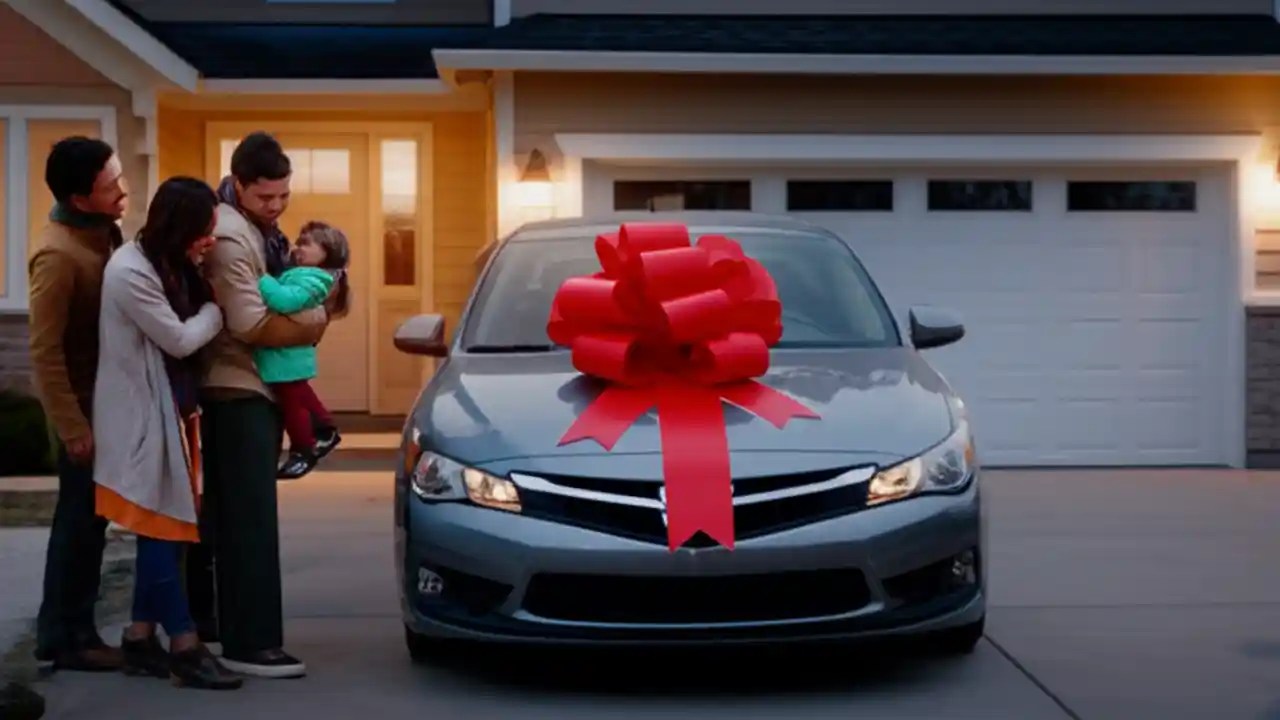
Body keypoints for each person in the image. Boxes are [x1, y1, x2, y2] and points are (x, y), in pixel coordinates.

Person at [92, 177, 241, 690]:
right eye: (203, 232)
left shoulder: (169, 264)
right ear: (178, 228)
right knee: (162, 528)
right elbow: (178, 340)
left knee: (169, 528)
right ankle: (184, 646)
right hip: (140, 418)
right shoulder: (130, 272)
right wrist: (216, 312)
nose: (209, 242)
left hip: (173, 413)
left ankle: (138, 637)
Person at [198, 132, 328, 678]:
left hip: (247, 383)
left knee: (227, 518)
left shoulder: (253, 227)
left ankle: (212, 627)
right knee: (249, 519)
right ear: (239, 186)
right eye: (265, 198)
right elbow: (250, 321)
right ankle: (252, 643)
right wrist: (315, 321)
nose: (276, 207)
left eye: (282, 197)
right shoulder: (231, 236)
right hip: (238, 385)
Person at [28, 136, 127, 672]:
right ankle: (69, 635)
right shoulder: (58, 255)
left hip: (105, 407)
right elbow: (44, 351)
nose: (122, 189)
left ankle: (64, 631)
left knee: (89, 525)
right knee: (79, 526)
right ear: (79, 197)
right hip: (82, 416)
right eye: (111, 184)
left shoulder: (100, 234)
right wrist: (71, 427)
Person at [258, 221, 350, 479]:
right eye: (298, 242)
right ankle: (325, 428)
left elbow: (285, 301)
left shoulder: (317, 279)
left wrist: (259, 278)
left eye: (306, 244)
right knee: (299, 394)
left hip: (288, 355)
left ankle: (303, 448)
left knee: (292, 404)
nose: (297, 248)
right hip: (287, 355)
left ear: (327, 252)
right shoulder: (302, 273)